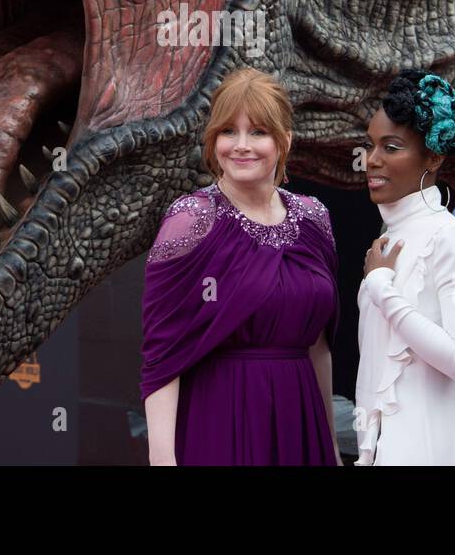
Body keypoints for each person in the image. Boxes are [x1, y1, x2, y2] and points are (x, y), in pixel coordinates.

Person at [140, 67, 341, 465]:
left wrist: (331, 446)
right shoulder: (191, 220)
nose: (241, 146)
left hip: (301, 421)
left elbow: (319, 346)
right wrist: (162, 461)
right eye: (228, 131)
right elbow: (161, 355)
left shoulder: (315, 217)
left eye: (259, 132)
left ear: (285, 141)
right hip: (219, 422)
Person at [356, 70, 455, 465]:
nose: (373, 160)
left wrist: (381, 287)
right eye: (370, 145)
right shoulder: (391, 234)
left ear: (433, 156)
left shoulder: (452, 237)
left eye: (391, 147)